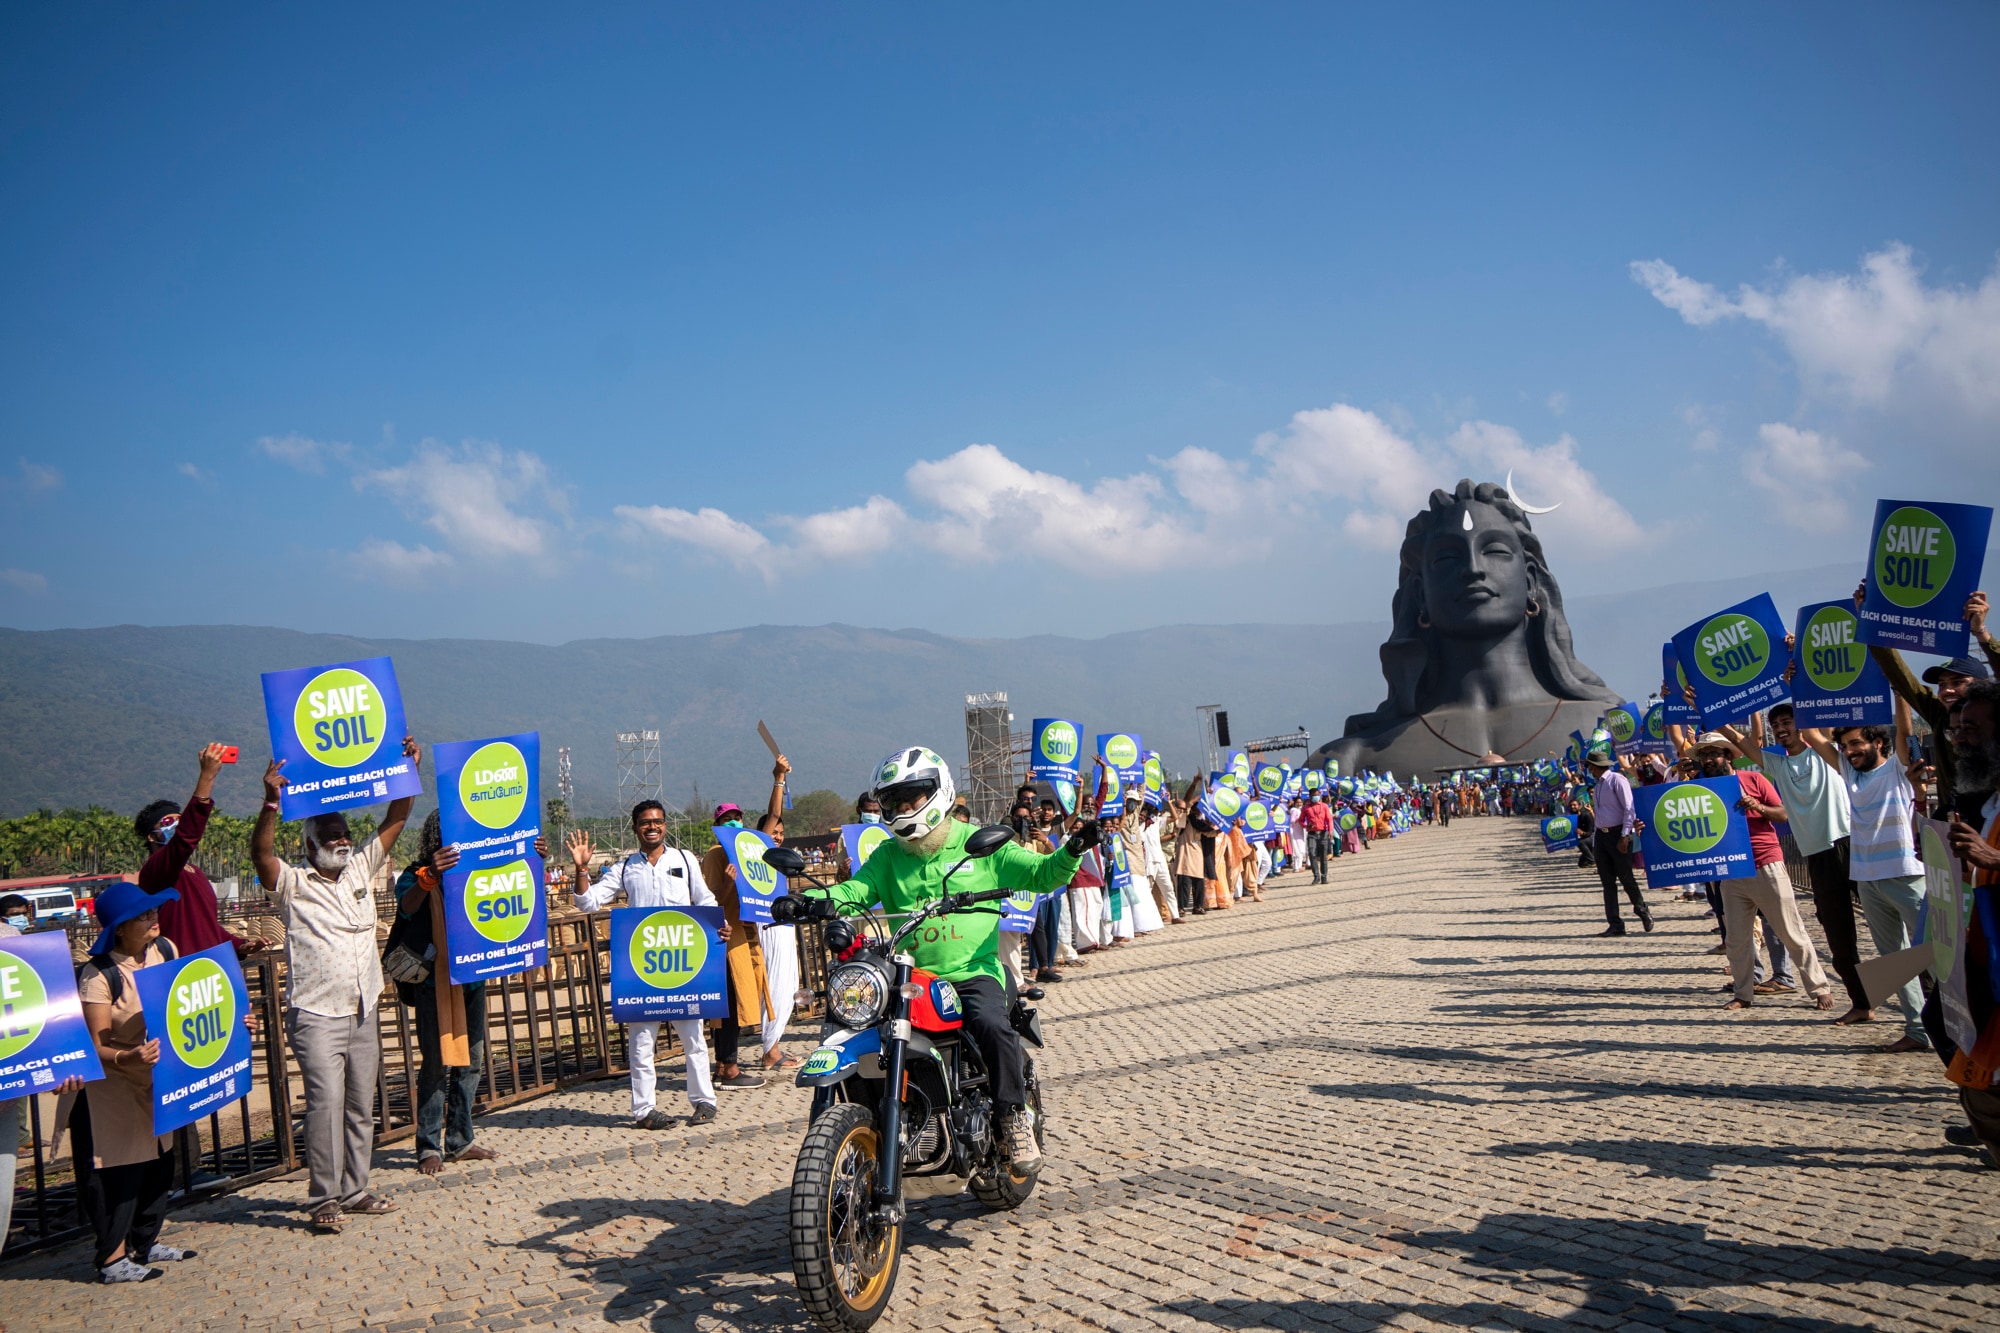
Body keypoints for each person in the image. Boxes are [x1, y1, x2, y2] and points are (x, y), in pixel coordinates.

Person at [776, 746, 1087, 1167]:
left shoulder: (980, 845)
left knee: (993, 1026)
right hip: (909, 976)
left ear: (938, 793)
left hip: (973, 972)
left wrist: (1073, 849)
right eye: (894, 800)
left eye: (914, 796)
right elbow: (853, 892)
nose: (905, 807)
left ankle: (1012, 1116)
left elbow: (1040, 873)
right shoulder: (888, 855)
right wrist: (808, 900)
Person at [251, 740, 420, 1232]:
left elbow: (397, 816)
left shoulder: (361, 869)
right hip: (316, 1012)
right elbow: (261, 854)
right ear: (309, 844)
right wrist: (269, 802)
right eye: (330, 833)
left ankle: (357, 1188)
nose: (342, 839)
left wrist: (408, 768)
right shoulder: (294, 883)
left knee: (359, 1103)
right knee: (324, 1104)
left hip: (363, 1005)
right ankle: (324, 1198)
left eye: (344, 832)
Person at [388, 811, 547, 1174]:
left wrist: (533, 854)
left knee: (472, 1061)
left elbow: (516, 882)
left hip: (473, 979)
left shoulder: (483, 869)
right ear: (435, 837)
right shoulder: (418, 872)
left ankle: (460, 1140)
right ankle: (428, 1145)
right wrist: (431, 877)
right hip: (433, 983)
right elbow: (406, 906)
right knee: (434, 1064)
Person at [73, 883, 214, 1281]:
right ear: (119, 928)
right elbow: (95, 1044)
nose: (153, 918)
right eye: (143, 915)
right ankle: (111, 1259)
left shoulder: (165, 950)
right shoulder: (99, 974)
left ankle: (145, 1242)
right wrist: (127, 1056)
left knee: (159, 1163)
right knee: (121, 1172)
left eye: (153, 911)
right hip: (114, 1089)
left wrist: (230, 1025)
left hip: (156, 1081)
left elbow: (190, 1005)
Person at [569, 802, 727, 1128]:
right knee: (641, 1044)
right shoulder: (626, 868)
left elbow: (706, 900)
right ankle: (644, 1110)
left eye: (657, 821)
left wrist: (718, 925)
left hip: (685, 965)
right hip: (644, 970)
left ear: (665, 825)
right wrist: (582, 870)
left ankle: (704, 1102)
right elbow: (588, 901)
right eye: (645, 823)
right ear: (635, 828)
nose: (652, 827)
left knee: (694, 1039)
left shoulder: (684, 860)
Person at [1800, 705, 1933, 1052]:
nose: (1849, 751)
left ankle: (1959, 1029)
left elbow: (1905, 734)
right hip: (1868, 880)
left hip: (1905, 875)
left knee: (1936, 955)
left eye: (1856, 744)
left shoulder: (1897, 770)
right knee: (1895, 960)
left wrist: (1897, 692)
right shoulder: (1849, 771)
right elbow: (1813, 734)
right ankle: (1917, 1031)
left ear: (1877, 742)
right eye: (1844, 746)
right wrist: (1798, 683)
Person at [1735, 705, 1870, 1024]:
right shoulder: (1778, 765)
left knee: (1886, 929)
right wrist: (1708, 709)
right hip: (1818, 858)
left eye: (1787, 721)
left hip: (1850, 845)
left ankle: (1921, 1004)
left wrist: (1796, 683)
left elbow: (1813, 728)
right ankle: (1863, 1004)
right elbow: (1741, 741)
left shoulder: (1826, 752)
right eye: (1776, 724)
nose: (1781, 728)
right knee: (1839, 940)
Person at [1687, 732, 1835, 1013]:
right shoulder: (1699, 788)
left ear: (1728, 755)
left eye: (1714, 753)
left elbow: (1782, 813)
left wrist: (1758, 806)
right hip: (1730, 870)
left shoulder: (1754, 779)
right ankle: (1744, 992)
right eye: (1704, 755)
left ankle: (1819, 988)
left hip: (1765, 863)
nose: (1708, 759)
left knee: (1791, 931)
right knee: (1736, 938)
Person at [0, 901, 86, 1261]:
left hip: (4, 1104)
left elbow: (32, 1017)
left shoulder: (10, 938)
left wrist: (54, 1066)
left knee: (1, 1202)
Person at [699, 797, 771, 1092]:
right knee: (729, 1002)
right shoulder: (716, 855)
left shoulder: (745, 854)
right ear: (717, 826)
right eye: (727, 819)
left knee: (732, 999)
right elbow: (711, 899)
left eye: (737, 817)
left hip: (743, 932)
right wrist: (729, 883)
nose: (733, 822)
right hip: (726, 935)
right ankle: (729, 1067)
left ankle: (721, 1065)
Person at [757, 754, 800, 1072]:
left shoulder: (781, 861)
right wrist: (779, 778)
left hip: (783, 923)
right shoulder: (759, 854)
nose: (778, 836)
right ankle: (769, 1051)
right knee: (774, 984)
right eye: (774, 831)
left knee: (786, 984)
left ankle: (774, 1046)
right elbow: (773, 812)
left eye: (782, 832)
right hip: (766, 922)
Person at [1584, 750, 1652, 936]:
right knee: (1607, 882)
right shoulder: (1597, 786)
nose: (1588, 769)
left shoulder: (1617, 780)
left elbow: (1629, 808)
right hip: (1603, 836)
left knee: (1625, 877)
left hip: (1618, 833)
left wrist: (1625, 835)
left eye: (1589, 765)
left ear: (1595, 766)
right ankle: (1615, 923)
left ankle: (1642, 909)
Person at [1302, 793, 1333, 884]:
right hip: (1312, 834)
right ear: (1310, 797)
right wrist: (1306, 825)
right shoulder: (1306, 808)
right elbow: (1301, 820)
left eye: (1317, 795)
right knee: (1312, 853)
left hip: (1323, 833)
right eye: (1314, 795)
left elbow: (1329, 819)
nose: (1316, 797)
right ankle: (1316, 876)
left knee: (1323, 856)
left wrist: (1330, 830)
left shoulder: (1324, 806)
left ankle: (1324, 877)